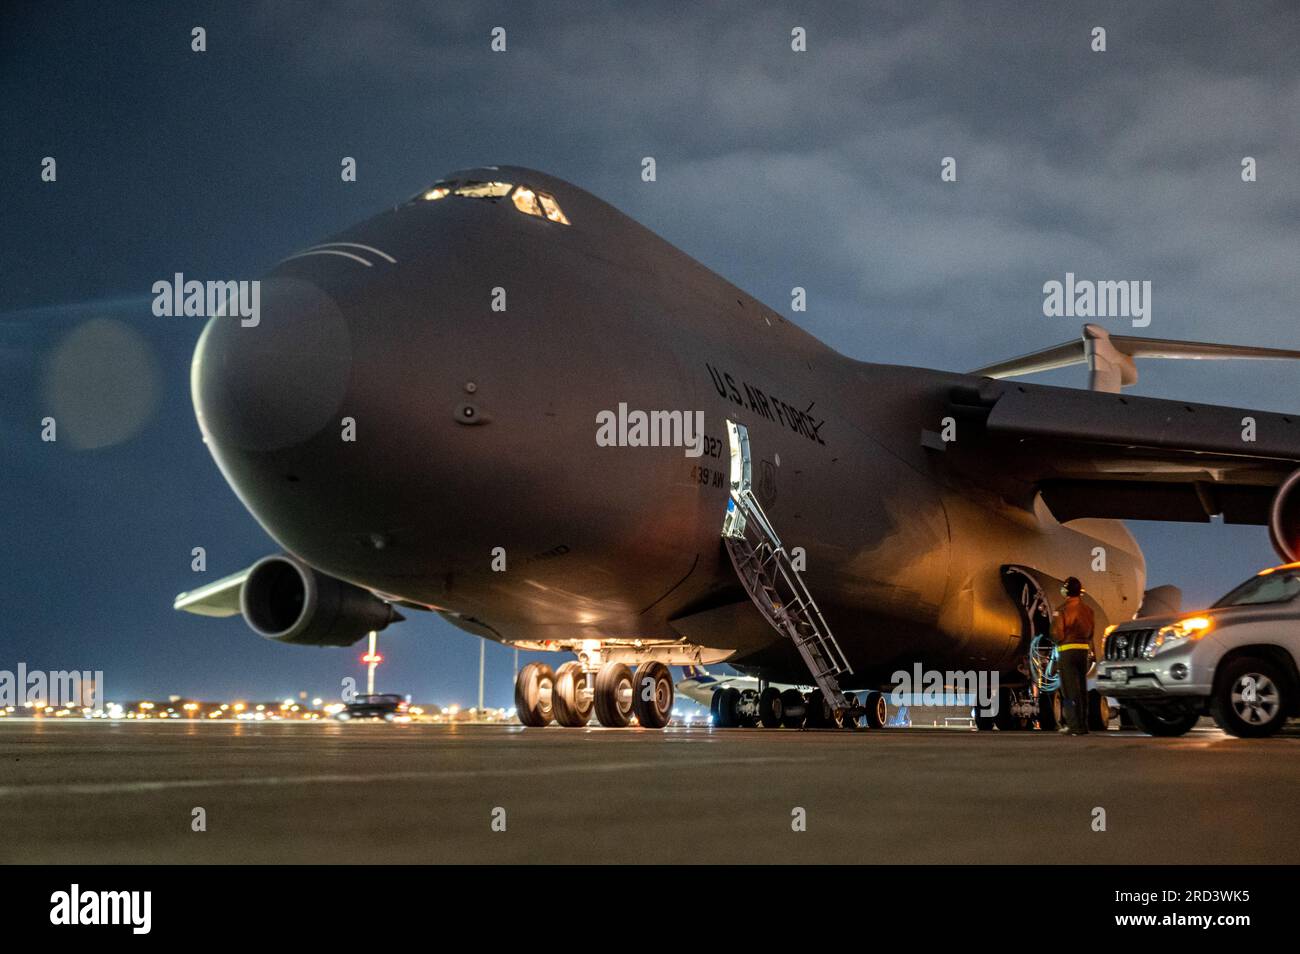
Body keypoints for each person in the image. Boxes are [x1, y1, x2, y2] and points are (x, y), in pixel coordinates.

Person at [1053, 576, 1094, 735]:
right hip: (1083, 651)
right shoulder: (1088, 610)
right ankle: (1083, 725)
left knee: (1069, 691)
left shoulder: (1062, 610)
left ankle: (1073, 725)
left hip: (1067, 651)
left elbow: (1056, 633)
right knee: (1082, 688)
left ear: (1066, 591)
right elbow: (1091, 632)